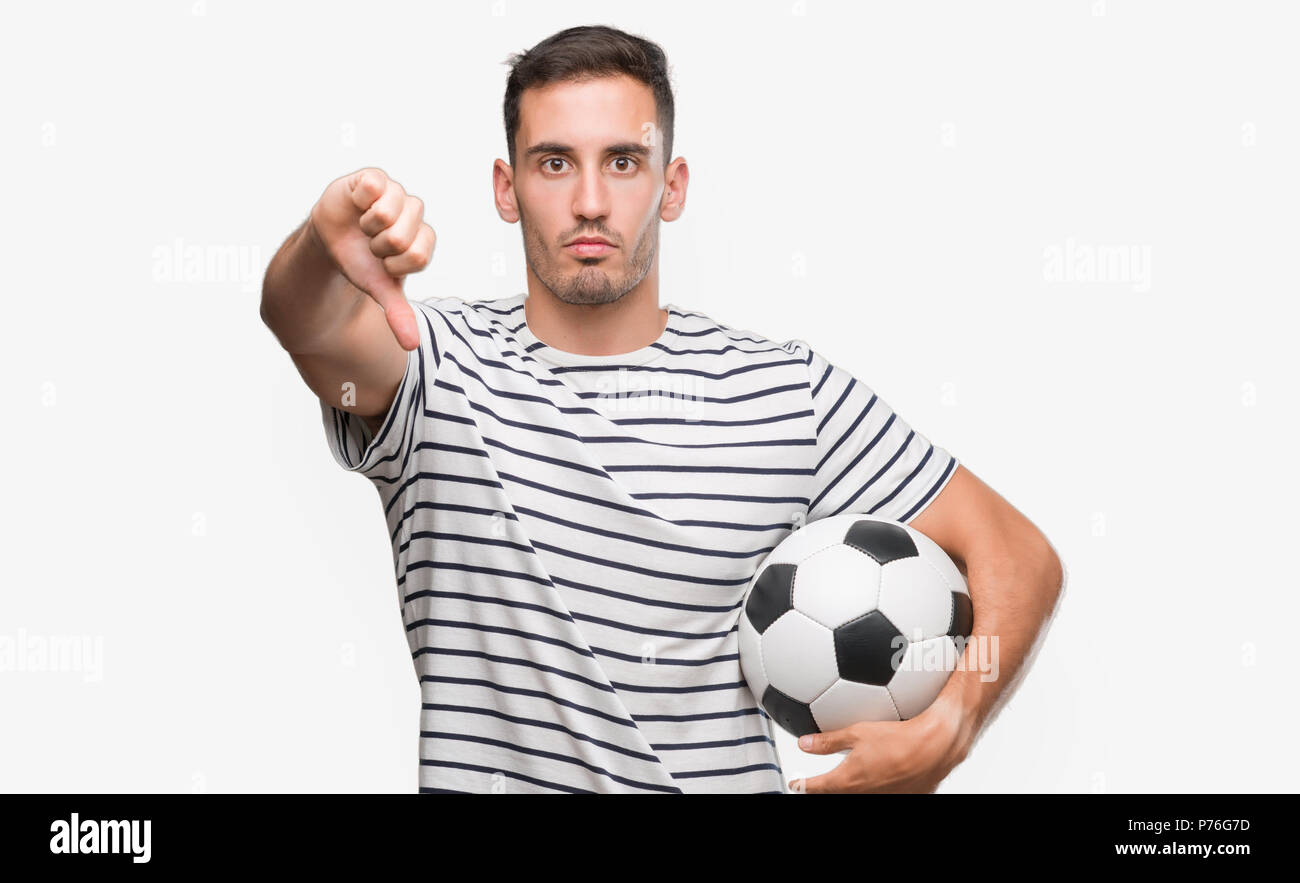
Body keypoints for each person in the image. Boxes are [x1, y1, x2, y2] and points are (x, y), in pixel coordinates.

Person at [259, 24, 1064, 794]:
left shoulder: (786, 391)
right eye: (552, 163)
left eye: (622, 161)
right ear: (505, 189)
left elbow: (1018, 553)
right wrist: (321, 244)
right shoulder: (434, 368)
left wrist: (953, 723)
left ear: (671, 186)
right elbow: (307, 320)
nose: (588, 201)